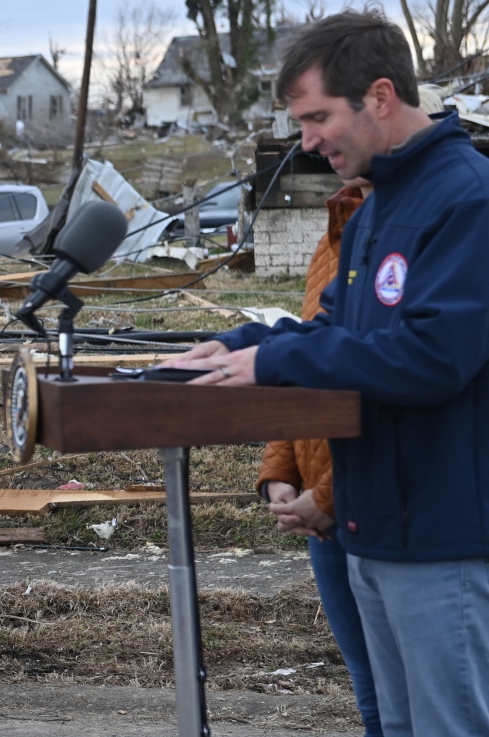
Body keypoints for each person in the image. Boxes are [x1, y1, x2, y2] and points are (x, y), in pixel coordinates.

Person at [169, 11, 489, 736]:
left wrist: (275, 359)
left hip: (442, 539)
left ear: (380, 97)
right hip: (371, 529)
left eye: (317, 117)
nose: (306, 141)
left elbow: (434, 356)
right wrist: (236, 345)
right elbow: (335, 333)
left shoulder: (468, 197)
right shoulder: (375, 205)